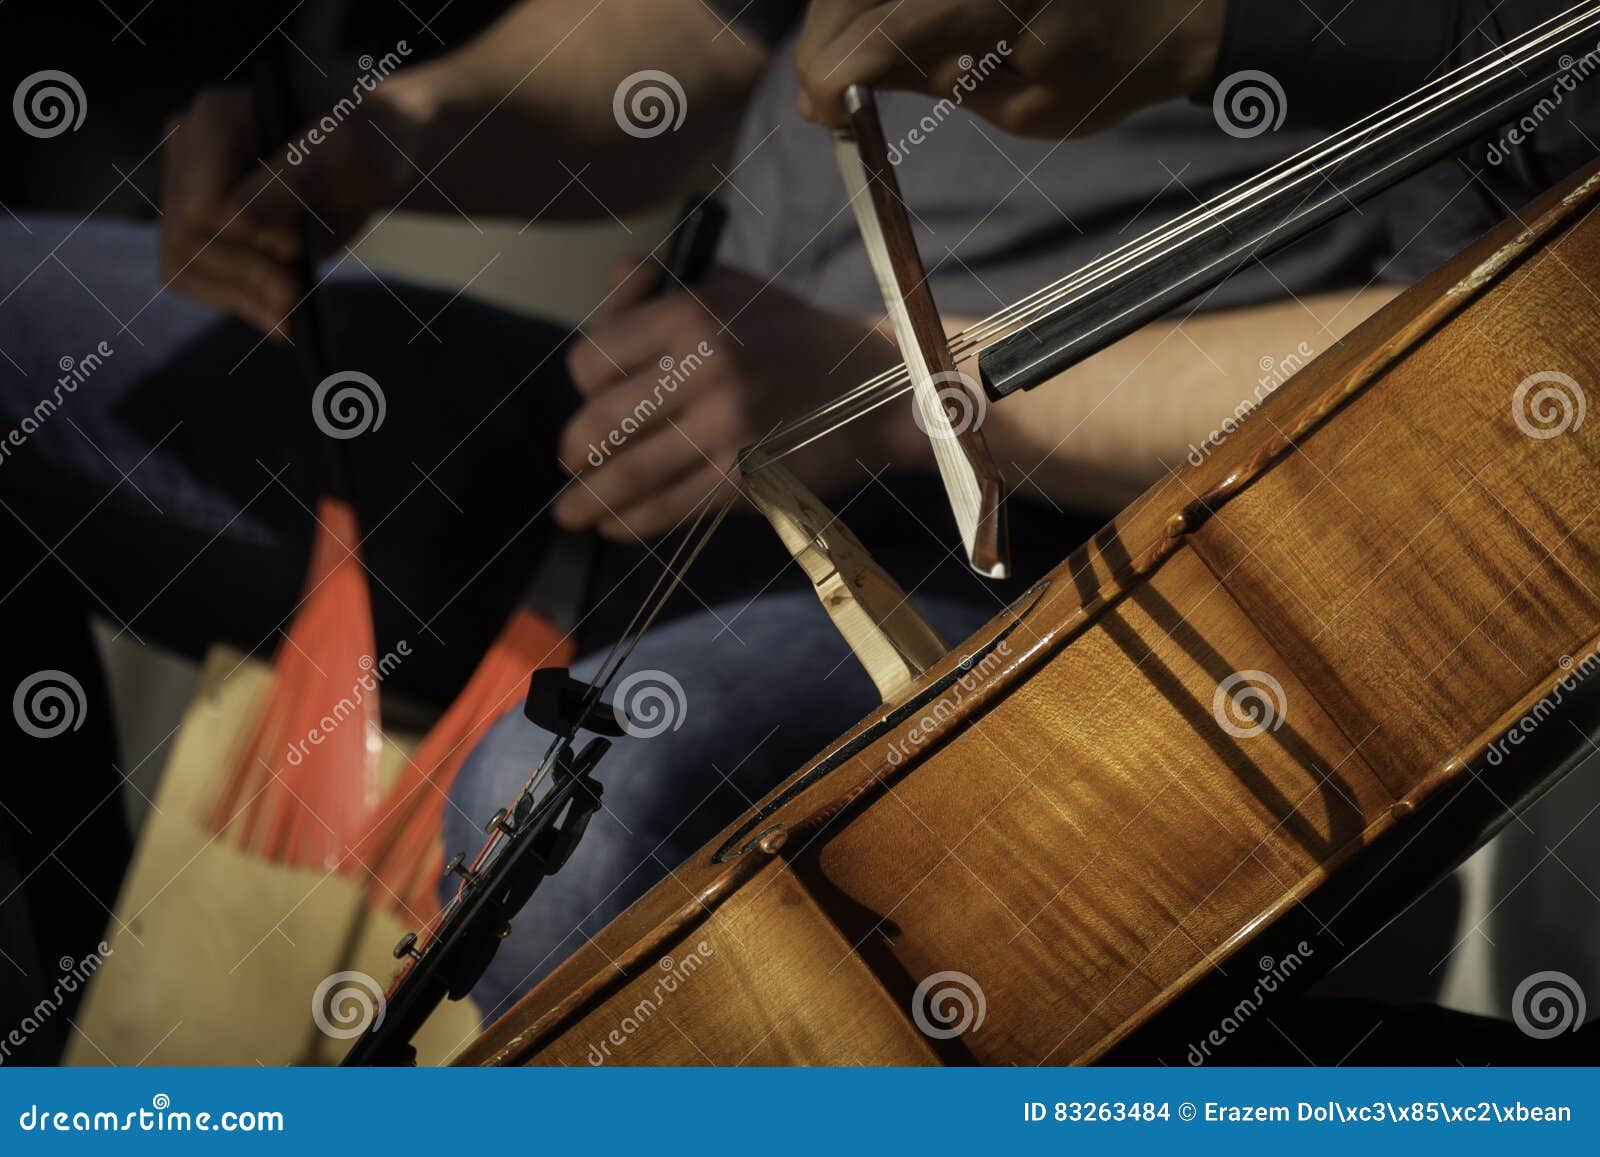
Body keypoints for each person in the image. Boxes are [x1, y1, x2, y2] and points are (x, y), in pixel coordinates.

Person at [2, 0, 1430, 1051]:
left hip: (1054, 557)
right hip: (682, 398)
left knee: (574, 843)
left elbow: (1459, 355)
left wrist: (909, 385)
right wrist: (395, 133)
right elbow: (695, 41)